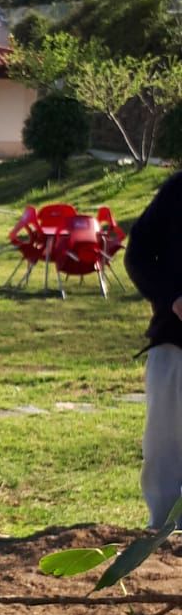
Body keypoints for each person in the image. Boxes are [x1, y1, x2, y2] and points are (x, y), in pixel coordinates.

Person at [125, 170, 182, 529]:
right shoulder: (178, 191)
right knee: (164, 449)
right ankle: (162, 533)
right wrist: (172, 298)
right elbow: (139, 256)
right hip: (176, 343)